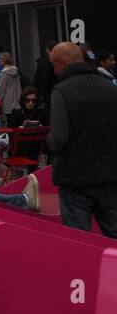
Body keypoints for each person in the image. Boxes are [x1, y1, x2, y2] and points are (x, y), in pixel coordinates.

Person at [47, 42, 117, 238]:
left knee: (78, 240)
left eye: (56, 65)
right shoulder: (109, 88)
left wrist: (49, 141)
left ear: (64, 63)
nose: (55, 70)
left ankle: (85, 270)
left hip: (74, 177)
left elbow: (58, 138)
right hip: (110, 174)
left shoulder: (62, 91)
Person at [33, 42, 57, 107]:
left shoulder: (44, 61)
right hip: (57, 91)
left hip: (47, 94)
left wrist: (41, 95)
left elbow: (43, 79)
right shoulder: (60, 60)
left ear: (47, 49)